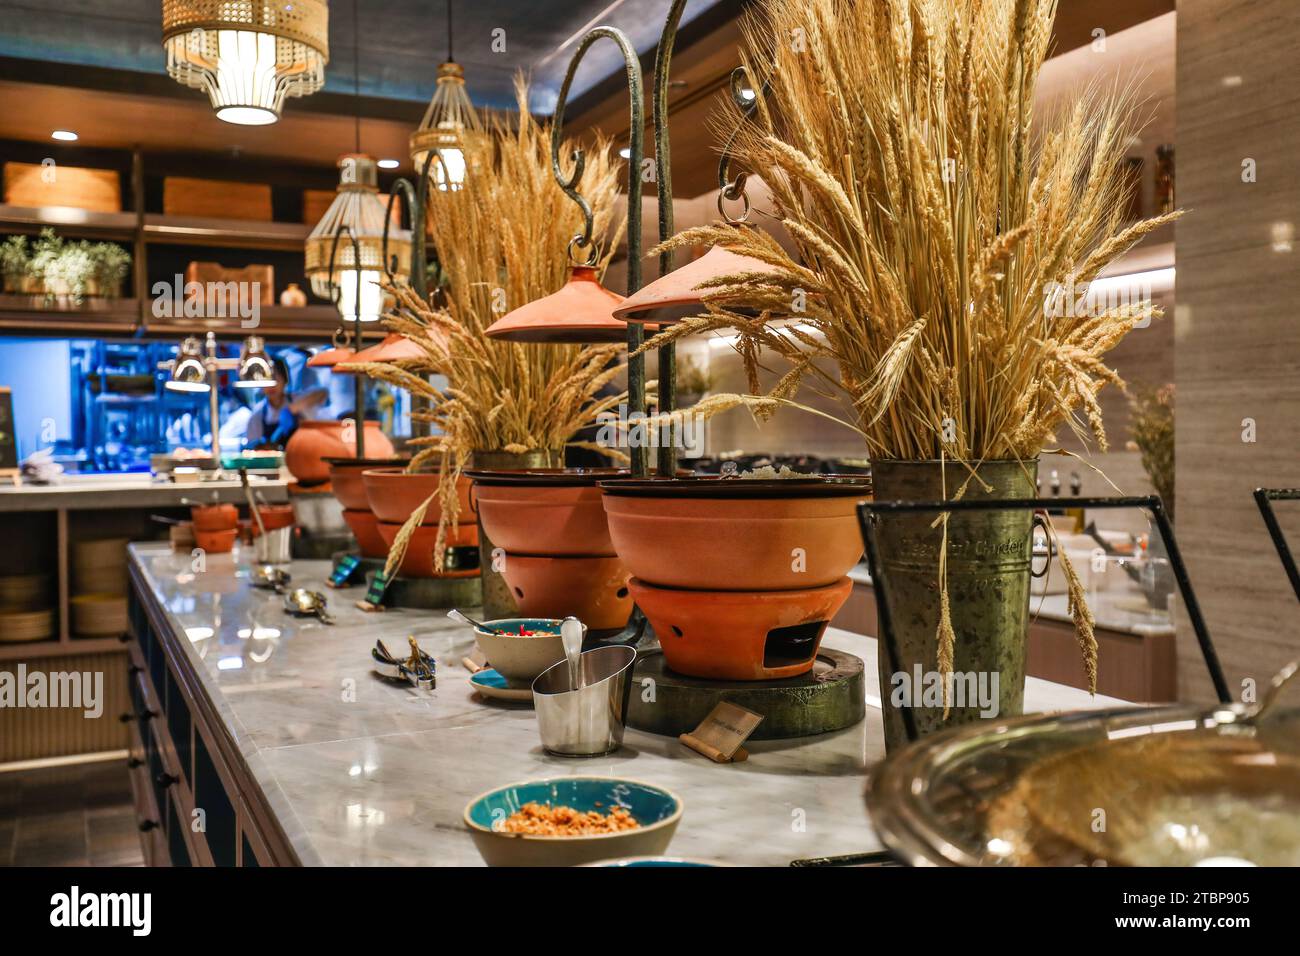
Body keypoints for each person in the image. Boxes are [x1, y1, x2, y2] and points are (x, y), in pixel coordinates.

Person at [244, 356, 327, 447]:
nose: (271, 385)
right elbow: (251, 447)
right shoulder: (257, 415)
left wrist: (290, 410)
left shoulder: (296, 400)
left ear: (285, 380)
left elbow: (322, 392)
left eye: (275, 378)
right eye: (267, 379)